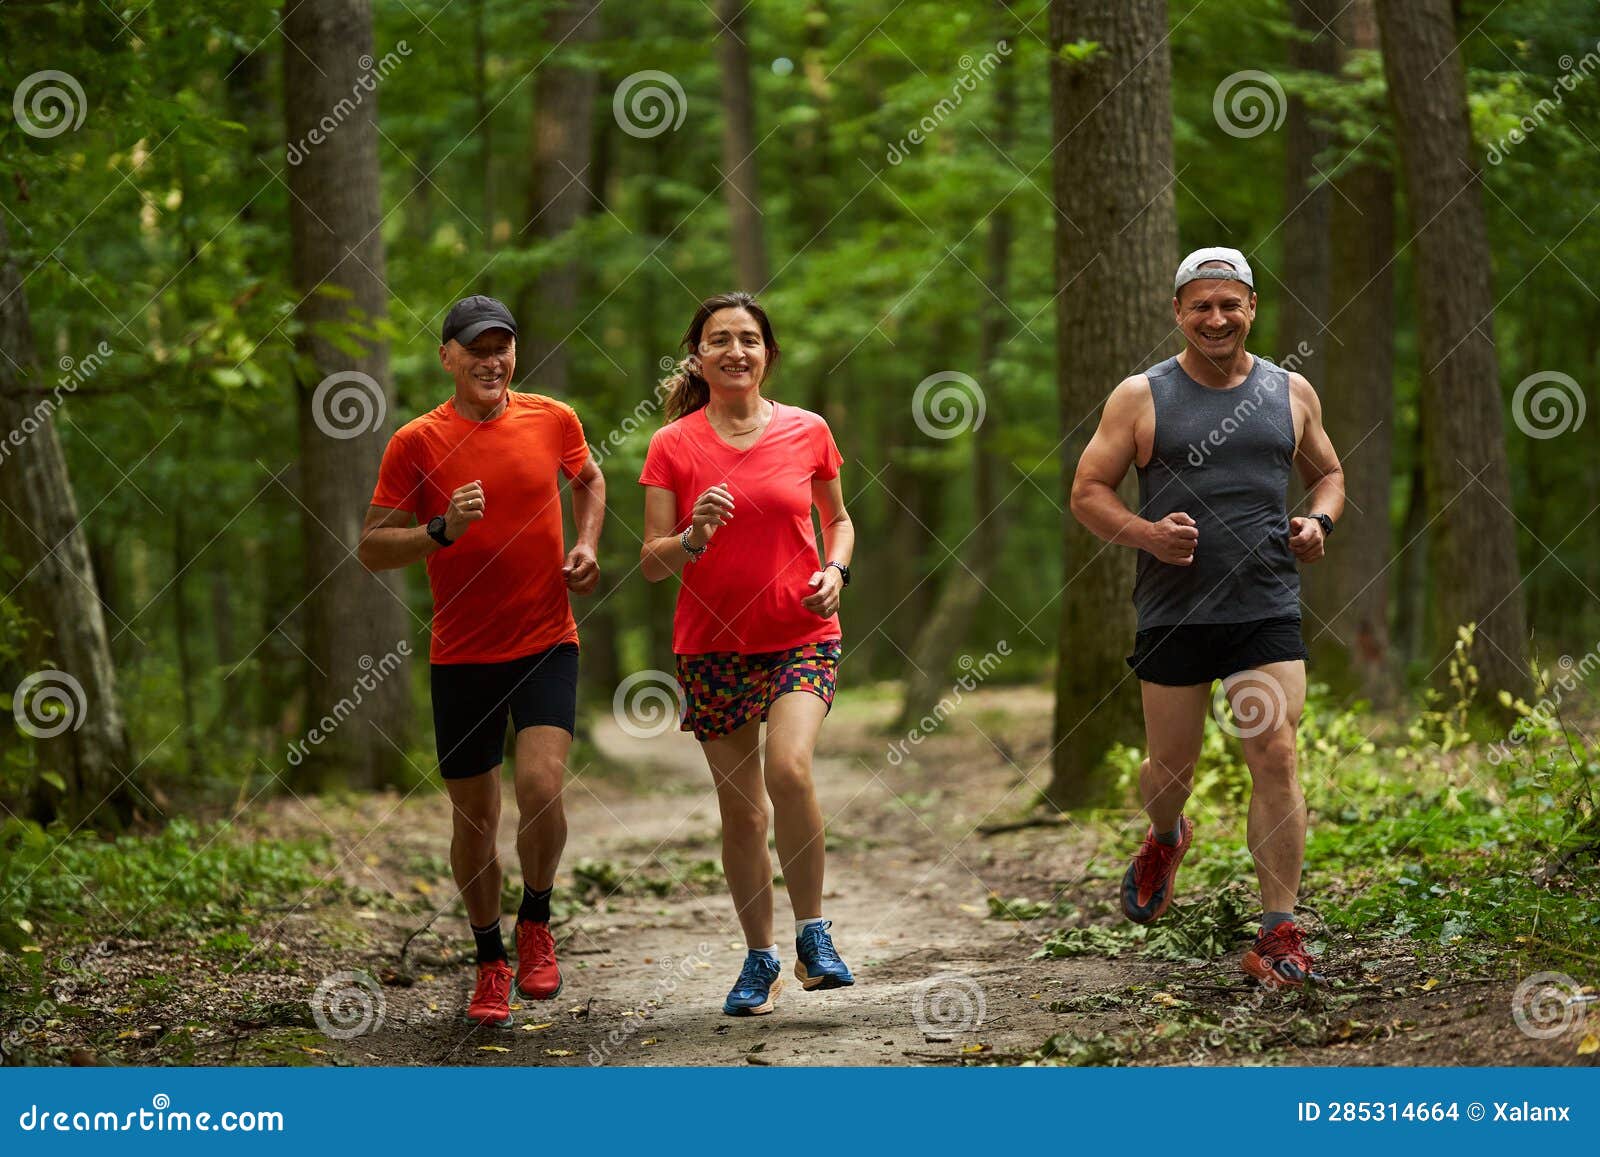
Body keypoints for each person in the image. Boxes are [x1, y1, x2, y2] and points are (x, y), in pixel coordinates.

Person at [1070, 248, 1346, 988]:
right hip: (1175, 613)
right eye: (1201, 305)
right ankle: (1166, 834)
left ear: (1253, 306)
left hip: (1264, 604)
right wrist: (1148, 534)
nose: (1216, 318)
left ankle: (1277, 932)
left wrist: (1318, 520)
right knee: (1171, 769)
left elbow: (1328, 472)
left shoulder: (1291, 390)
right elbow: (1089, 490)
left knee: (1275, 750)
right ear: (1178, 312)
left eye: (1230, 304)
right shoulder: (1141, 395)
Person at [358, 295, 606, 1026]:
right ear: (448, 357)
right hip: (462, 653)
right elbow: (371, 546)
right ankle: (489, 956)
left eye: (502, 345)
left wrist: (588, 542)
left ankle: (537, 919)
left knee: (541, 783)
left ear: (515, 354)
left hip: (545, 638)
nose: (490, 358)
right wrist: (439, 529)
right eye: (475, 347)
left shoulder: (553, 418)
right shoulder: (415, 441)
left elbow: (589, 480)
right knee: (474, 816)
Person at [638, 291, 856, 1016]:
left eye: (749, 339)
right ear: (697, 356)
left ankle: (814, 935)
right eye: (719, 339)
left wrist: (836, 570)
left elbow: (840, 520)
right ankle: (760, 958)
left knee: (788, 768)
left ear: (768, 353)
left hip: (799, 632)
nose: (735, 350)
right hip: (712, 647)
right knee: (742, 815)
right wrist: (694, 533)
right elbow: (651, 562)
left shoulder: (808, 430)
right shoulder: (673, 443)